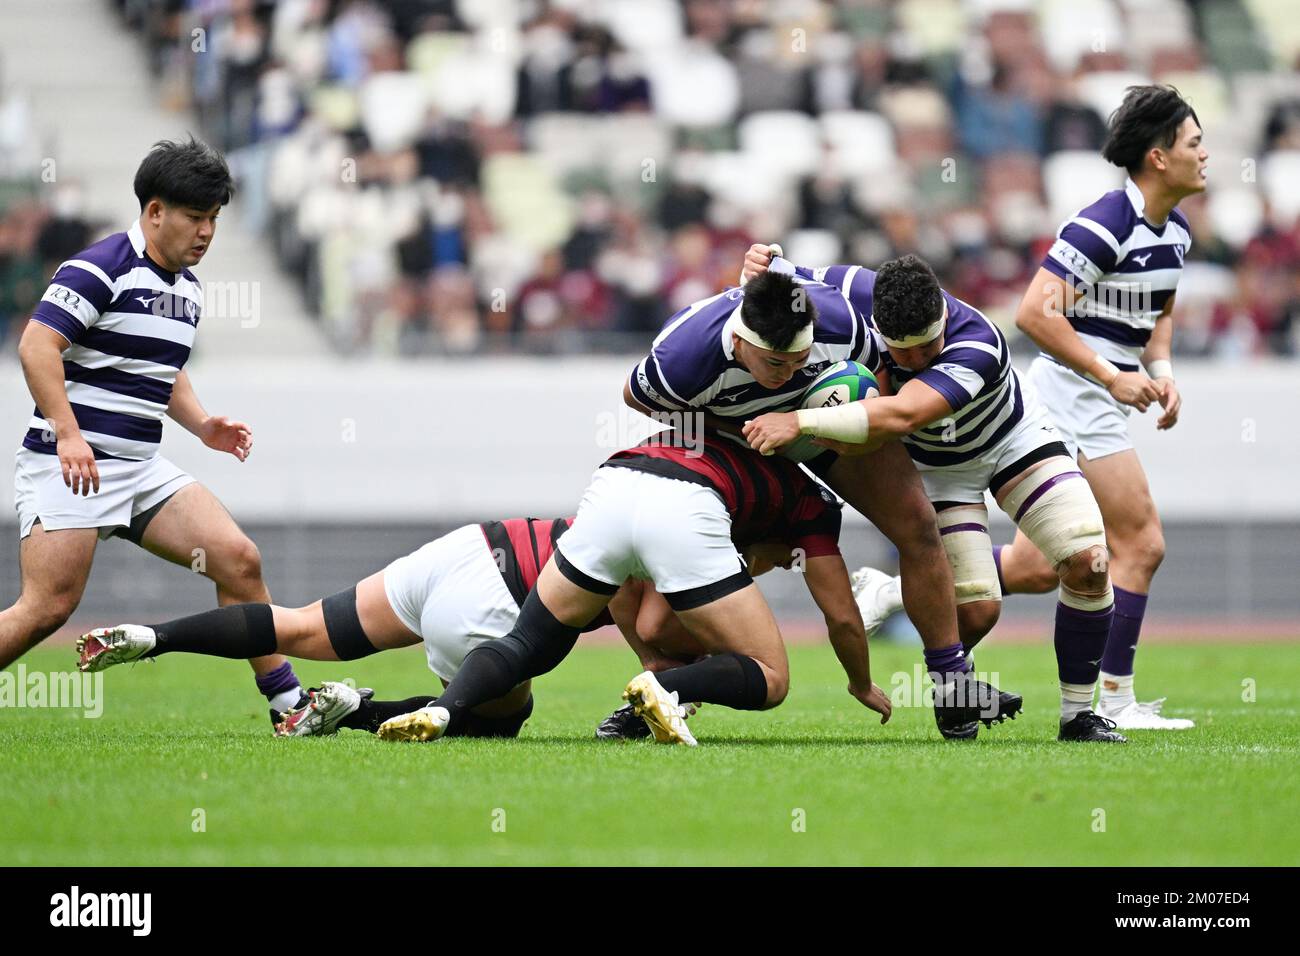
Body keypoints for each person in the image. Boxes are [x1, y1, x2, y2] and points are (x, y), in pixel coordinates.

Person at [624, 265, 1018, 738]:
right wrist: (737, 434)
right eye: (776, 364)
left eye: (800, 361)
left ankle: (952, 686)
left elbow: (880, 381)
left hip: (819, 427)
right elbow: (636, 397)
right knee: (659, 622)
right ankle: (667, 689)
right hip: (737, 440)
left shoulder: (841, 324)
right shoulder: (681, 359)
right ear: (741, 342)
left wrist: (824, 425)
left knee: (917, 525)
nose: (789, 373)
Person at [744, 251, 1123, 742]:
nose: (919, 360)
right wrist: (764, 262)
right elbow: (788, 276)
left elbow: (902, 415)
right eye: (903, 352)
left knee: (1088, 560)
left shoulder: (978, 343)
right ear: (878, 324)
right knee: (976, 612)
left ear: (944, 315)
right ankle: (949, 683)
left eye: (928, 346)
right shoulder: (859, 288)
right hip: (939, 470)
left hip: (1012, 440)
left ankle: (1078, 716)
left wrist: (801, 421)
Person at [2, 138, 302, 724]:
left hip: (139, 469)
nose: (207, 232)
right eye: (195, 217)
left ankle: (290, 706)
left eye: (214, 219)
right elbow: (37, 345)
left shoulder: (187, 288)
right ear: (155, 211)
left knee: (238, 559)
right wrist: (67, 433)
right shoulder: (99, 267)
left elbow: (163, 371)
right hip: (71, 467)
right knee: (46, 608)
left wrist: (202, 424)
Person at [351, 433, 904, 746]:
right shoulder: (805, 508)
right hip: (679, 504)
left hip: (618, 478)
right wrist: (860, 682)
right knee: (771, 675)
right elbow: (843, 618)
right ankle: (667, 693)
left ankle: (445, 710)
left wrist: (651, 659)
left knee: (527, 646)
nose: (788, 568)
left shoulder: (739, 451)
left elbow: (640, 615)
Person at [996, 85, 1204, 731]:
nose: (1206, 155)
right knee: (1140, 541)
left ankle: (893, 590)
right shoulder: (1105, 222)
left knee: (1039, 564)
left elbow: (1158, 308)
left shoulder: (1177, 231)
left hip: (1092, 391)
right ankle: (1114, 701)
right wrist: (1110, 375)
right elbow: (1035, 313)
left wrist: (1160, 371)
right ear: (1159, 156)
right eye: (1195, 143)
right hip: (1072, 391)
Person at [78, 516, 617, 740]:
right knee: (502, 717)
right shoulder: (671, 546)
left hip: (470, 546)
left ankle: (158, 636)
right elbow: (658, 638)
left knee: (301, 626)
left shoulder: (623, 497)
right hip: (497, 598)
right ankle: (359, 711)